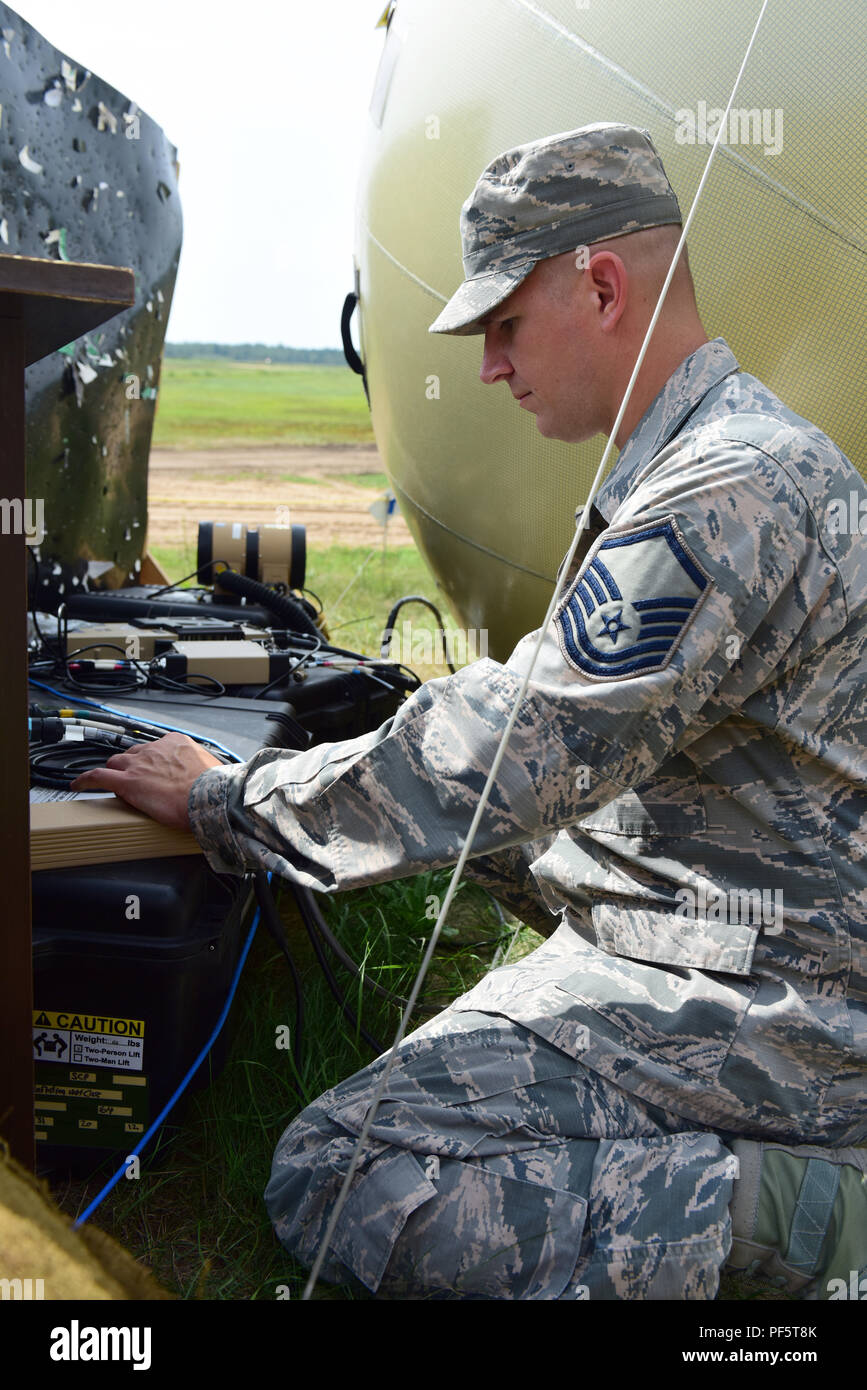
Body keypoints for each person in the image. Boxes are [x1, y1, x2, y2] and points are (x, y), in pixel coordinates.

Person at [72, 123, 867, 1300]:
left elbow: (522, 749)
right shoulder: (718, 460)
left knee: (341, 1172)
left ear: (603, 287)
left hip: (771, 1008)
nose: (490, 366)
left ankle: (807, 1215)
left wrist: (232, 802)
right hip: (714, 946)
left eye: (505, 324)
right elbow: (574, 758)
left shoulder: (727, 486)